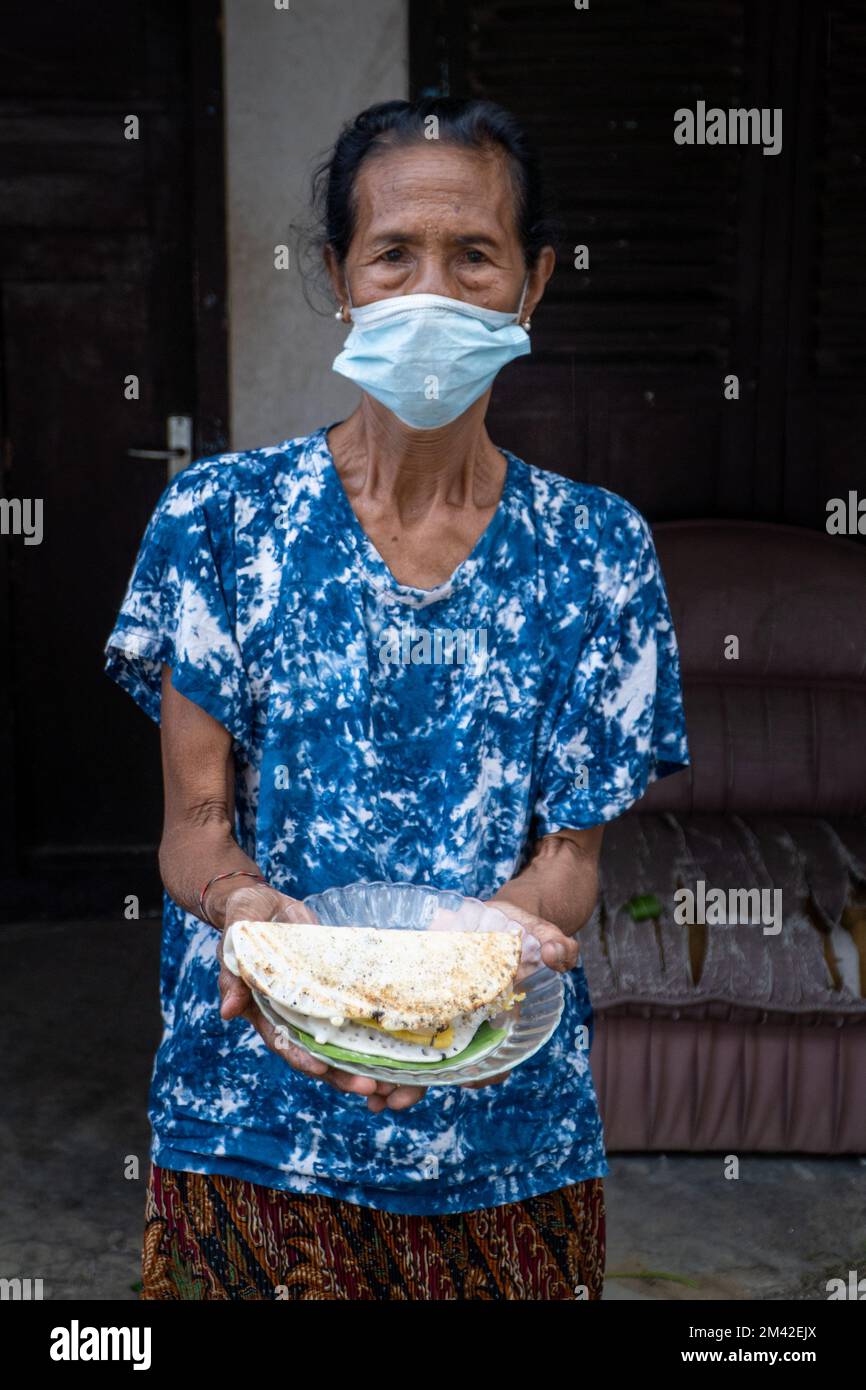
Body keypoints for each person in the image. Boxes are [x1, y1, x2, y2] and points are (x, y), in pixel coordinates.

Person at [105, 96, 689, 1301]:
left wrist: (499, 937)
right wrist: (250, 909)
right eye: (393, 254)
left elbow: (569, 861)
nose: (430, 290)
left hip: (502, 1134)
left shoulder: (596, 551)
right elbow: (195, 832)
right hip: (249, 1119)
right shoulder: (219, 526)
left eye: (472, 255)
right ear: (338, 277)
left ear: (530, 285)